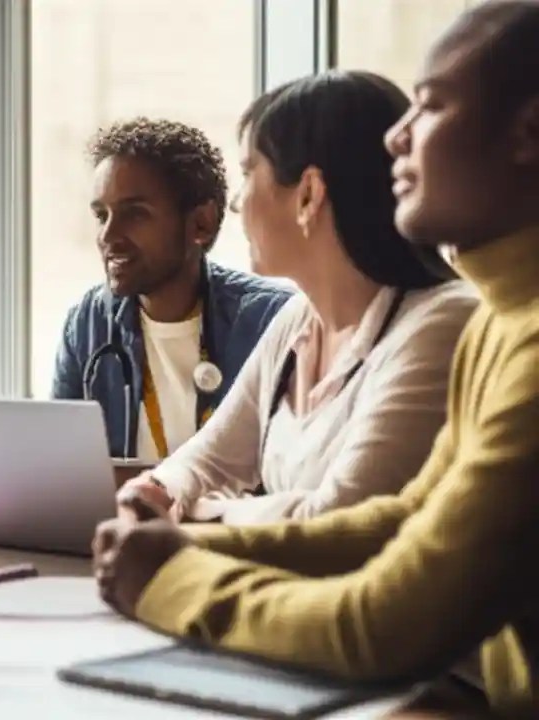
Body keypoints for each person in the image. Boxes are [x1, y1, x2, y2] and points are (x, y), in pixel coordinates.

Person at [95, 2, 539, 716]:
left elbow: (387, 623)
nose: (396, 138)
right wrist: (195, 542)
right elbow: (402, 520)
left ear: (529, 133)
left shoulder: (487, 328)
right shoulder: (500, 323)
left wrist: (175, 578)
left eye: (429, 106)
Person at [117, 72, 477, 525]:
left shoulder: (441, 327)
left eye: (248, 174)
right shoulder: (298, 320)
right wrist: (156, 488)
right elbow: (208, 460)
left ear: (308, 195)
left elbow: (339, 519)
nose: (235, 204)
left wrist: (212, 513)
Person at [52, 118, 292, 460]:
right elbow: (61, 469)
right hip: (123, 514)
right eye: (101, 216)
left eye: (134, 214)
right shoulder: (87, 325)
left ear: (201, 223)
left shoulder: (272, 321)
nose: (108, 237)